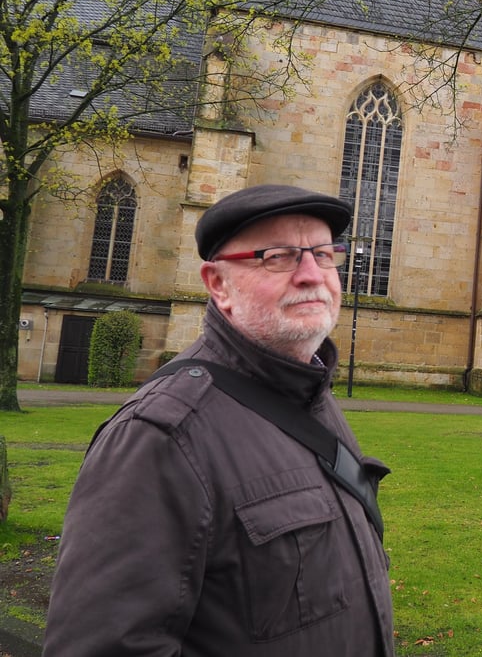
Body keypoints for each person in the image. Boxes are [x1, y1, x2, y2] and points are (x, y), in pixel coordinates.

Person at [43, 184, 394, 657]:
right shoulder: (160, 436)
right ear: (217, 284)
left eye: (324, 254)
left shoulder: (310, 393)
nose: (312, 275)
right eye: (279, 257)